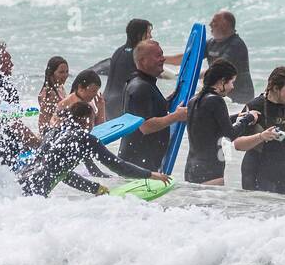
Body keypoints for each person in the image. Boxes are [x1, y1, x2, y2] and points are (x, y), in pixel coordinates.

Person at [18, 101, 167, 197]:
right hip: (35, 192)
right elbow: (118, 166)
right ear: (86, 120)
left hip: (20, 182)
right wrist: (149, 174)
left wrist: (95, 188)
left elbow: (62, 174)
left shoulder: (53, 133)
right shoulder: (85, 139)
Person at [229, 66, 285, 196]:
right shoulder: (255, 106)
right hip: (258, 172)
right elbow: (238, 144)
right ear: (276, 88)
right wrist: (261, 136)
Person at [119, 40, 188, 172]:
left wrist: (168, 101)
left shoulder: (141, 83)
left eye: (162, 54)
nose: (163, 59)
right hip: (138, 166)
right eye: (158, 56)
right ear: (143, 60)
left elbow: (149, 110)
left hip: (138, 163)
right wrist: (176, 116)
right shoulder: (140, 87)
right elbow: (146, 126)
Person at [186, 59, 252, 185]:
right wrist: (247, 119)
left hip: (191, 168)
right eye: (232, 82)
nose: (232, 87)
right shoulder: (216, 101)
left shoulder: (194, 100)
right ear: (222, 81)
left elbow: (211, 124)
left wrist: (238, 116)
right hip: (210, 171)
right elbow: (230, 134)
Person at [100, 18, 151, 119]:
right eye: (148, 33)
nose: (151, 36)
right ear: (139, 35)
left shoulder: (119, 51)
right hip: (120, 104)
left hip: (107, 101)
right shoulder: (136, 55)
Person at [205, 10, 254, 103]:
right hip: (224, 94)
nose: (210, 24)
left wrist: (196, 75)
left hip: (241, 98)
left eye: (214, 22)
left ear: (225, 25)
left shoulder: (236, 45)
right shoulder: (212, 43)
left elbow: (217, 70)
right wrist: (167, 59)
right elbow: (190, 57)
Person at [38, 57, 69, 132]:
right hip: (50, 133)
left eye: (66, 71)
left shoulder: (60, 87)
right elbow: (43, 122)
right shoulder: (49, 94)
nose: (65, 75)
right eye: (61, 72)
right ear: (51, 73)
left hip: (58, 129)